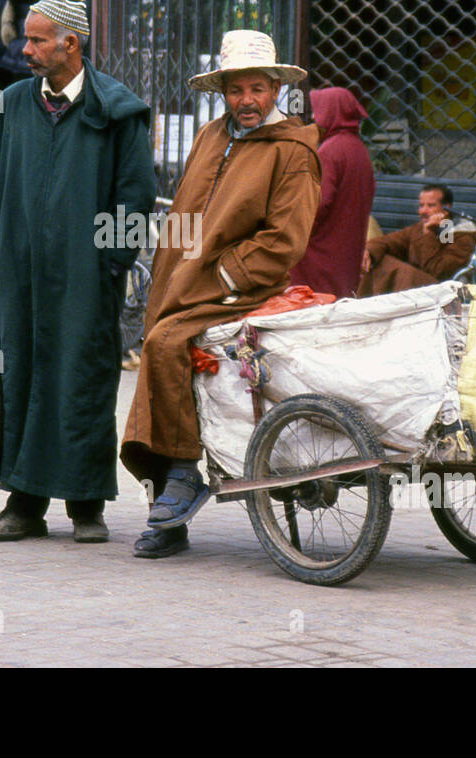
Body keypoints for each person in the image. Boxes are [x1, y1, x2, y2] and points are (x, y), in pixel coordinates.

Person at [120, 30, 321, 559]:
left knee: (165, 345)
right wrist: (172, 268)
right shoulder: (210, 136)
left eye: (257, 88)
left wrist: (223, 275)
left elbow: (284, 241)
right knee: (156, 349)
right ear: (223, 93)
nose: (247, 100)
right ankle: (167, 515)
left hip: (242, 290)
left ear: (275, 88)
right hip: (182, 282)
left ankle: (185, 474)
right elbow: (187, 213)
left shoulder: (294, 151)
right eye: (236, 90)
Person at [0, 0, 155, 544]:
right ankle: (23, 503)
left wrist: (108, 265)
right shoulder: (13, 105)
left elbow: (137, 196)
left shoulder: (117, 110)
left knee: (81, 379)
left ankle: (86, 505)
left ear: (70, 44)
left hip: (84, 278)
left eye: (36, 40)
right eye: (26, 38)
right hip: (21, 276)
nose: (25, 49)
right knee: (22, 378)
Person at [287, 86, 375, 298]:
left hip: (321, 254)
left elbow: (317, 205)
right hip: (346, 251)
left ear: (332, 112)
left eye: (319, 111)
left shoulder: (330, 151)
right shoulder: (358, 149)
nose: (316, 117)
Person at [357, 184, 476, 296]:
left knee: (396, 270)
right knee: (379, 260)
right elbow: (389, 241)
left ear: (446, 209)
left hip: (442, 292)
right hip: (417, 288)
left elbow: (437, 271)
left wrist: (429, 233)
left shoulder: (459, 232)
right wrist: (369, 251)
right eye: (421, 205)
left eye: (430, 205)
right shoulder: (420, 229)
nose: (423, 211)